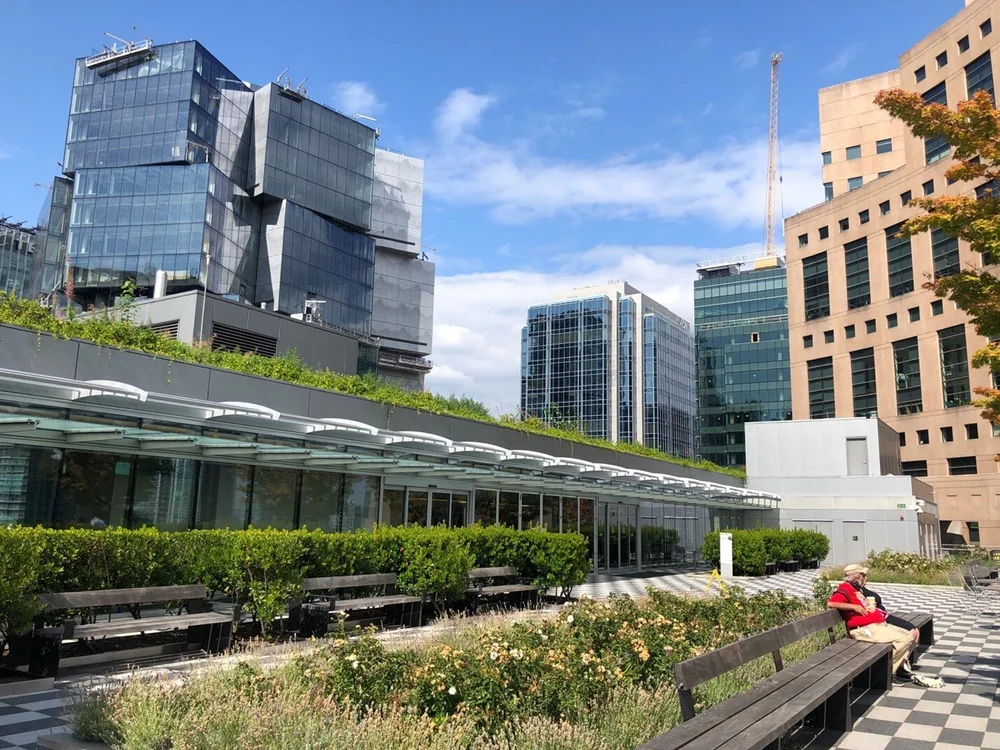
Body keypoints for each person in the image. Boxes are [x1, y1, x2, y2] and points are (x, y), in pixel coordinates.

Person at [827, 563, 917, 677]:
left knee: (910, 635)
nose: (865, 578)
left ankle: (897, 668)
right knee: (902, 640)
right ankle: (888, 674)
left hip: (877, 625)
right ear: (855, 578)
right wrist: (854, 607)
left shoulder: (857, 590)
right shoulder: (845, 589)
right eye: (863, 575)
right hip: (864, 629)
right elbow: (831, 603)